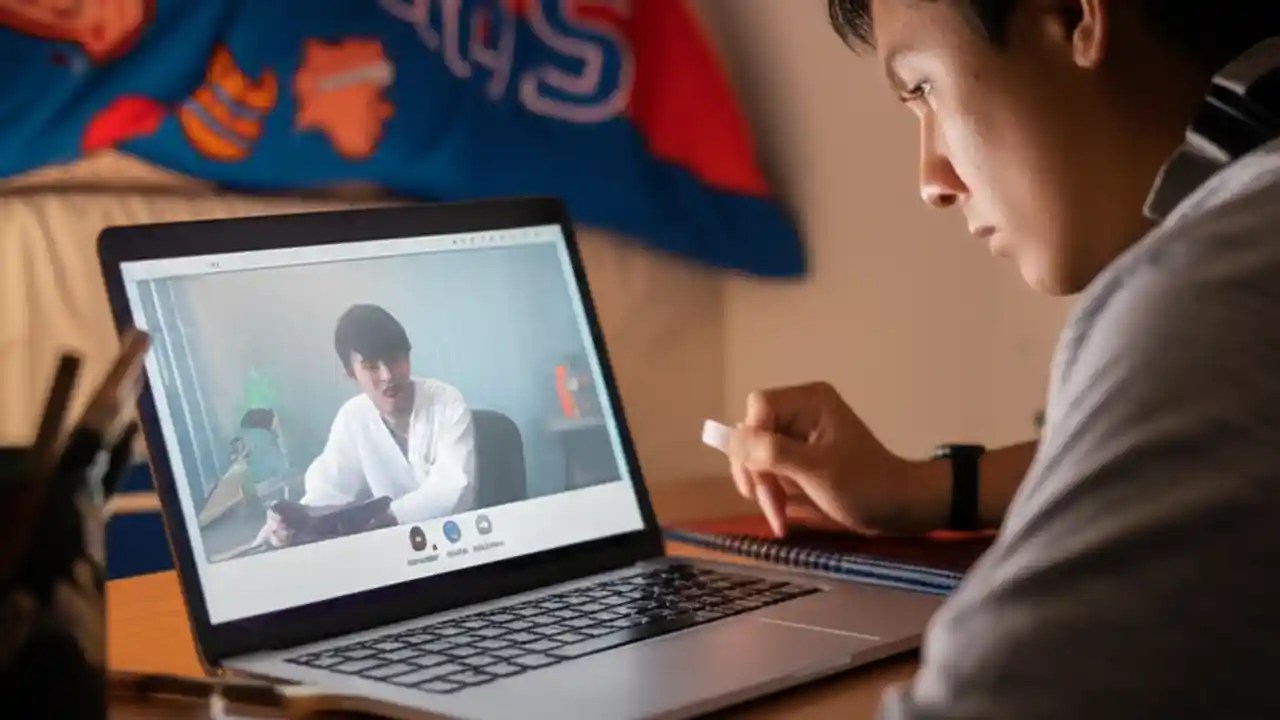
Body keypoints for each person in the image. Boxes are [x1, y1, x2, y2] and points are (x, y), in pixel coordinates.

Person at [723, 1, 1280, 717]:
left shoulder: (1215, 291)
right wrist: (927, 489)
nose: (932, 180)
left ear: (1076, 15)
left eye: (923, 87)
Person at [257, 304, 476, 547]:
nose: (387, 375)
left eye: (394, 359)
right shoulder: (353, 416)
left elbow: (453, 488)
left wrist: (386, 518)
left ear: (408, 355)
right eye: (371, 365)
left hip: (454, 545)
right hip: (392, 552)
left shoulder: (446, 401)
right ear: (351, 373)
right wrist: (293, 522)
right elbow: (328, 488)